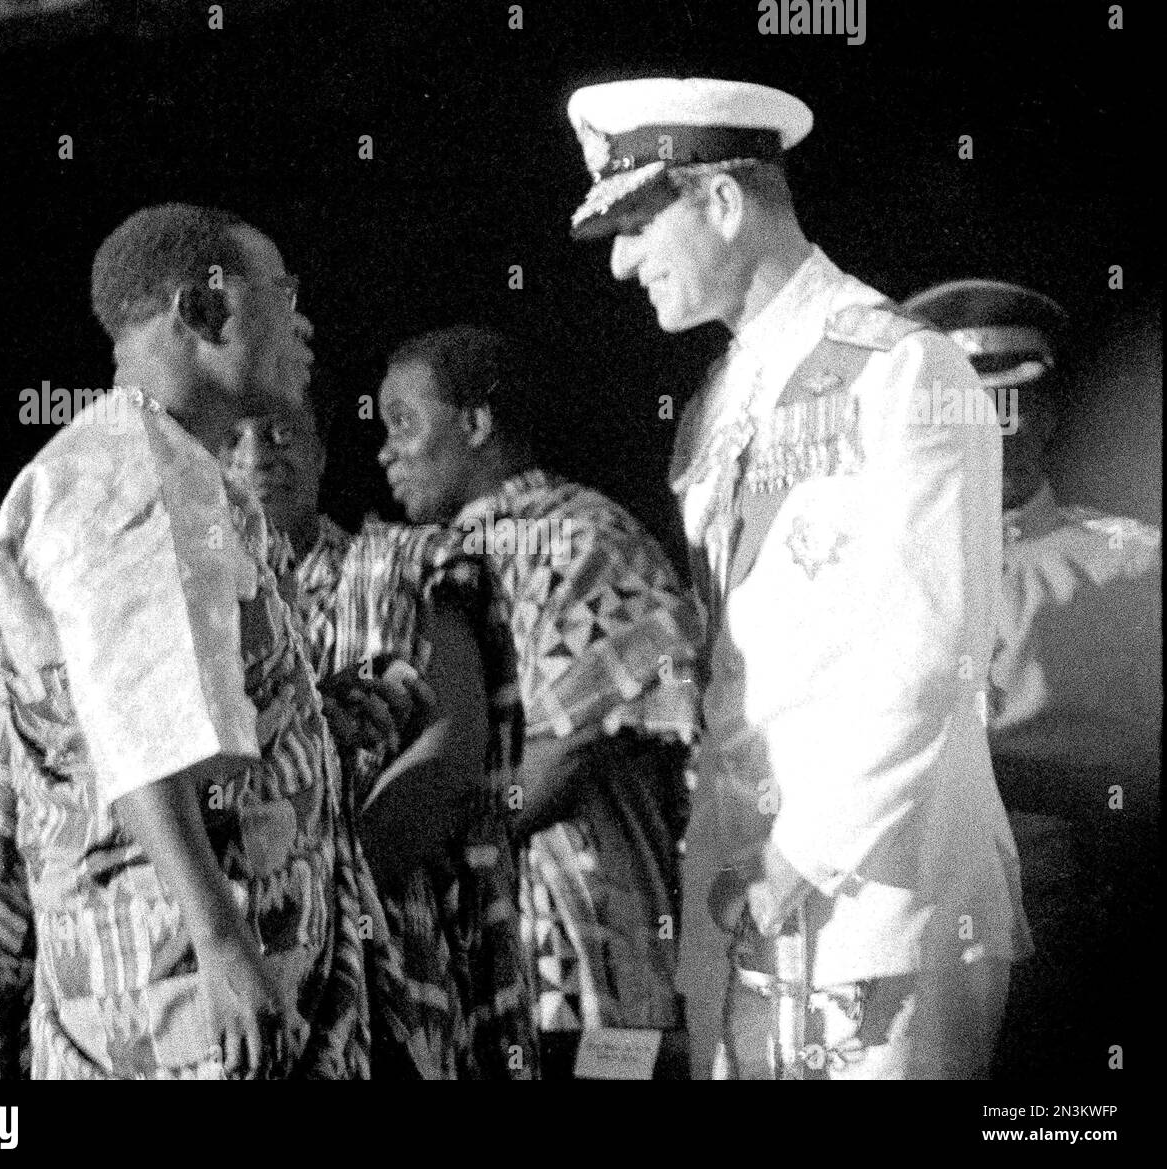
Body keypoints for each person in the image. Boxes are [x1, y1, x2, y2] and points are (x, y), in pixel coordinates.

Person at [565, 77, 1031, 1079]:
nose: (618, 263)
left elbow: (924, 655)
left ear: (722, 203)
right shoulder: (719, 403)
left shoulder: (901, 371)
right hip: (745, 887)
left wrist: (798, 860)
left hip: (876, 894)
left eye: (637, 225)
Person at [0, 203, 409, 1079]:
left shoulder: (165, 470)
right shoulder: (135, 478)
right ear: (203, 313)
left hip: (181, 994)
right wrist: (221, 941)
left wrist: (309, 722)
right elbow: (142, 738)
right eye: (283, 294)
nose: (304, 323)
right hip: (179, 1002)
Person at [376, 325, 700, 1077]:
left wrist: (434, 845)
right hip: (470, 960)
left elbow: (568, 748)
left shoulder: (588, 538)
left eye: (403, 423)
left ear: (476, 423)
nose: (385, 450)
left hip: (582, 961)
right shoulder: (419, 565)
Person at [218, 386, 537, 1079]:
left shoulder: (405, 559)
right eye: (233, 439)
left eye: (280, 434)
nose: (256, 457)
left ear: (324, 448)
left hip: (391, 937)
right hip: (238, 952)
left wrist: (329, 898)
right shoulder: (194, 600)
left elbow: (448, 756)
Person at [902, 279, 1162, 1075]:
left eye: (1011, 405)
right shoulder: (881, 571)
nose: (989, 430)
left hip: (1088, 896)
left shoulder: (1134, 559)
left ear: (1046, 414)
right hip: (913, 904)